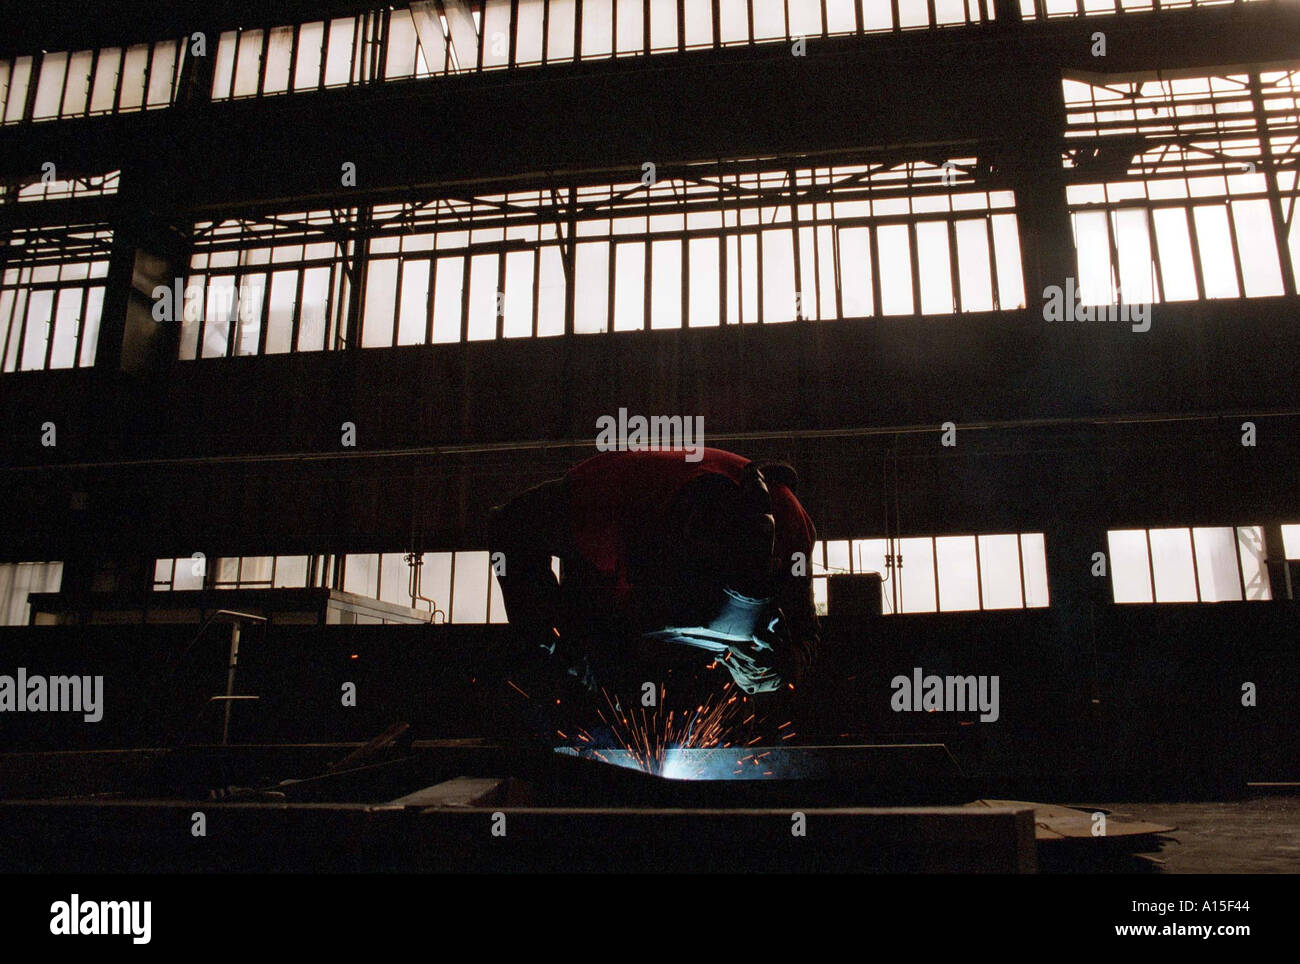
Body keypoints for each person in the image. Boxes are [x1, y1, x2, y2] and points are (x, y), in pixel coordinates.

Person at [486, 448, 819, 707]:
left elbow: (805, 634)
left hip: (652, 585)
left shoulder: (789, 522)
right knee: (583, 660)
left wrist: (782, 666)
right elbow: (507, 525)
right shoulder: (603, 505)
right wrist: (549, 639)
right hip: (617, 556)